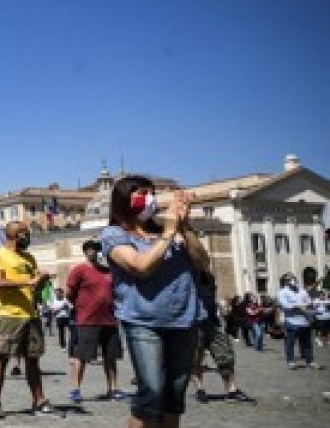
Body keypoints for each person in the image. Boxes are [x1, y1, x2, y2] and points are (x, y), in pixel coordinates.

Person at [102, 177, 209, 428]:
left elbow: (202, 263)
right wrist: (170, 233)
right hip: (143, 322)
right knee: (151, 395)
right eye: (142, 193)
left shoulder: (166, 231)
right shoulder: (114, 234)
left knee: (175, 396)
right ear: (123, 199)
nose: (150, 198)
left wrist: (186, 227)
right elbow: (140, 266)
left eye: (152, 193)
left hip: (184, 320)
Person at [0, 221, 54, 419]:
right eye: (26, 234)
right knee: (1, 358)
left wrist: (40, 282)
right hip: (8, 315)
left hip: (31, 314)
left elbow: (34, 288)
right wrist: (28, 281)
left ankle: (39, 401)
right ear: (16, 235)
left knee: (33, 360)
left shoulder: (30, 258)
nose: (29, 237)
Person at [65, 239, 124, 402]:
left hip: (109, 320)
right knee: (81, 355)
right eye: (89, 249)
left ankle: (113, 388)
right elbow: (69, 292)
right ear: (85, 252)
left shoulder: (107, 271)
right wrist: (80, 306)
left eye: (95, 249)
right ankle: (75, 389)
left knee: (110, 356)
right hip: (87, 319)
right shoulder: (79, 270)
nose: (92, 252)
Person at [190, 270, 255, 404]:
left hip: (213, 322)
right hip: (192, 322)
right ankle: (199, 389)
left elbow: (210, 298)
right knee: (196, 359)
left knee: (225, 356)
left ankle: (231, 390)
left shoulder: (208, 276)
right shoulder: (186, 274)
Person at [276, 272, 322, 370]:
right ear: (285, 281)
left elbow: (308, 301)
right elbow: (285, 305)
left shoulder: (302, 291)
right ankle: (291, 361)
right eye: (290, 279)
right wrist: (298, 306)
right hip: (292, 322)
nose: (293, 280)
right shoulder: (282, 292)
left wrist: (313, 305)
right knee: (290, 343)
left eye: (294, 278)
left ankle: (310, 361)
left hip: (305, 321)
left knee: (307, 343)